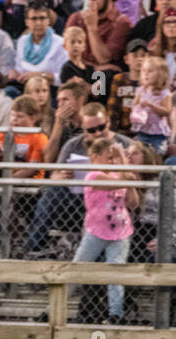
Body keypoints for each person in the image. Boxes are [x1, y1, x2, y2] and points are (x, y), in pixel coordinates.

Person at [24, 101, 131, 255]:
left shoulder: (124, 144)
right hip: (79, 198)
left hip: (113, 203)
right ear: (83, 127)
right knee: (53, 192)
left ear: (108, 121)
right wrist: (62, 176)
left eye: (101, 127)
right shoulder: (73, 144)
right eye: (91, 130)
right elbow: (54, 174)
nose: (98, 133)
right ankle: (32, 247)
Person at [75, 138, 140, 324]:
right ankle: (51, 309)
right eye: (108, 158)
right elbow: (121, 181)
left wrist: (127, 177)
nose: (112, 162)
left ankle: (115, 314)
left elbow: (133, 202)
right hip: (97, 231)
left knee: (115, 274)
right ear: (95, 158)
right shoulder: (93, 176)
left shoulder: (117, 174)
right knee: (76, 269)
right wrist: (121, 159)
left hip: (120, 231)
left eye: (114, 158)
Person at [65, 0, 130, 73]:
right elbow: (67, 53)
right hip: (78, 70)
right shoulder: (76, 18)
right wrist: (92, 68)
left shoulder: (121, 23)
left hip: (102, 76)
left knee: (105, 75)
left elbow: (103, 59)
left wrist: (92, 28)